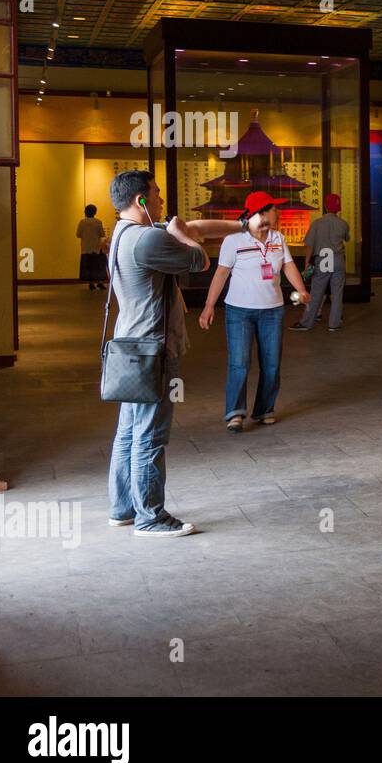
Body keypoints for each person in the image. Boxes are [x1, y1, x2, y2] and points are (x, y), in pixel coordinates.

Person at [104, 169, 261, 538]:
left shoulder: (123, 234)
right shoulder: (147, 242)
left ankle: (123, 508)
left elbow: (193, 227)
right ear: (141, 199)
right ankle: (150, 517)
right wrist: (180, 235)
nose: (161, 199)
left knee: (128, 431)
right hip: (154, 349)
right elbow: (200, 259)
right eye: (156, 194)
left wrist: (243, 226)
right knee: (151, 434)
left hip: (130, 345)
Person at [199, 191, 310, 433]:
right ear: (261, 213)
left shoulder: (278, 238)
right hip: (239, 312)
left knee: (271, 364)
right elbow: (221, 273)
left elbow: (289, 266)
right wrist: (209, 306)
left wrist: (301, 290)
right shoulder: (233, 240)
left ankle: (264, 409)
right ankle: (235, 413)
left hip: (273, 311)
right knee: (239, 363)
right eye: (274, 209)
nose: (278, 213)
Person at [290, 193, 349, 332]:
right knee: (337, 293)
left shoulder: (317, 224)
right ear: (338, 208)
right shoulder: (343, 224)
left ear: (325, 207)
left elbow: (310, 245)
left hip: (323, 261)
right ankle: (334, 324)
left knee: (316, 292)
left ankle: (306, 322)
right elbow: (347, 238)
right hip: (338, 260)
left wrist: (307, 262)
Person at [77, 204, 108, 290]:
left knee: (88, 267)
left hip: (85, 248)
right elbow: (102, 234)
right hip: (96, 248)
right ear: (95, 212)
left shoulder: (82, 222)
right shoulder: (98, 222)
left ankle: (91, 283)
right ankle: (99, 282)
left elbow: (78, 234)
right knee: (97, 266)